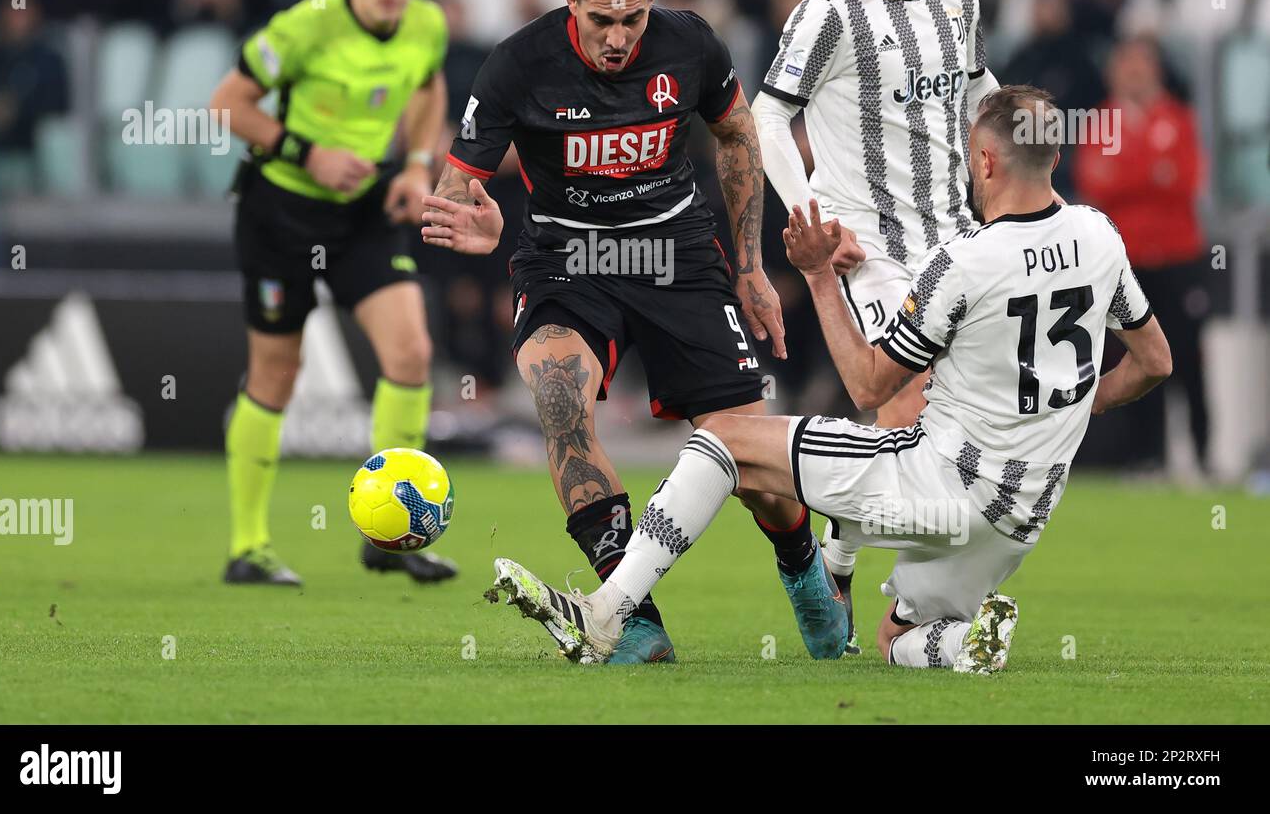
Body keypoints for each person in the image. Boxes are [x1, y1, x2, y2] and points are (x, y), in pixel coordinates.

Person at [490, 85, 1172, 673]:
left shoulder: (964, 262)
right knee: (898, 638)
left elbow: (871, 387)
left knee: (726, 438)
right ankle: (962, 643)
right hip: (1022, 516)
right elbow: (1152, 362)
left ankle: (606, 613)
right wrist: (1074, 409)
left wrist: (818, 275)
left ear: (987, 160)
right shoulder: (1100, 237)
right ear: (1054, 154)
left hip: (937, 488)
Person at [421, 0, 849, 664]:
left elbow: (739, 136)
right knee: (559, 399)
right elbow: (454, 189)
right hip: (566, 258)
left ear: (653, 2)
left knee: (749, 457)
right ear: (568, 1)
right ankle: (631, 617)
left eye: (633, 19)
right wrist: (475, 219)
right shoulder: (518, 64)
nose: (618, 37)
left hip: (676, 253)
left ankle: (804, 568)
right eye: (600, 20)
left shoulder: (691, 46)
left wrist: (748, 268)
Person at [752, 0, 999, 650]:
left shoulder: (960, 4)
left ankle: (842, 554)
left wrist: (1014, 171)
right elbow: (765, 115)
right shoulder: (827, 12)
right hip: (872, 251)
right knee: (909, 410)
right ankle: (921, 616)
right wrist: (812, 221)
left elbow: (975, 93)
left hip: (956, 240)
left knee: (947, 432)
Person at [207, 0, 455, 586]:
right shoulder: (307, 26)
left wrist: (415, 163)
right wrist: (306, 152)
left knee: (411, 351)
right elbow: (227, 103)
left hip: (362, 214)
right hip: (280, 213)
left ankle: (390, 536)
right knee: (276, 375)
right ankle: (248, 546)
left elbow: (431, 86)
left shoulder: (428, 25)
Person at [1073, 37, 1209, 474]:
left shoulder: (1178, 117)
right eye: (1125, 64)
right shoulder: (1101, 121)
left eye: (1140, 64)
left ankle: (1203, 456)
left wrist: (1130, 173)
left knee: (1188, 358)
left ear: (1156, 70)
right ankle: (1145, 457)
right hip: (1126, 267)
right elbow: (1096, 182)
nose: (1133, 72)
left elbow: (1185, 180)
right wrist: (1153, 170)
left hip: (1178, 260)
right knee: (1131, 359)